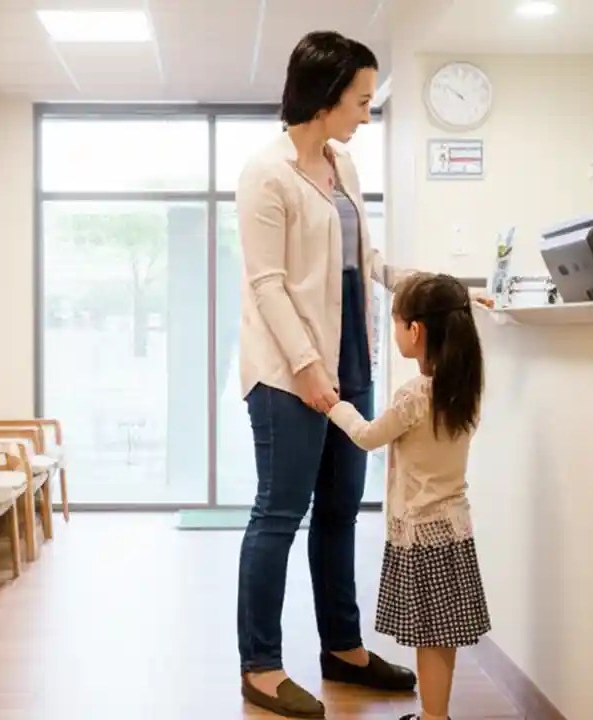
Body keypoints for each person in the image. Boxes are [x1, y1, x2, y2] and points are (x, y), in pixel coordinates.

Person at [234, 30, 416, 719]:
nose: (367, 114)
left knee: (340, 509)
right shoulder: (267, 173)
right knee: (279, 514)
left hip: (350, 357)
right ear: (325, 96)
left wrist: (424, 282)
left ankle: (343, 648)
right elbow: (269, 285)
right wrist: (308, 370)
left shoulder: (341, 164)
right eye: (361, 100)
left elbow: (357, 259)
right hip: (287, 370)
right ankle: (261, 664)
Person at [327, 273, 492, 720]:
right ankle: (436, 715)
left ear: (414, 331)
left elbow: (365, 436)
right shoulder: (465, 389)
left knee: (429, 636)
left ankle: (434, 718)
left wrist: (333, 405)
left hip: (420, 531)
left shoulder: (415, 395)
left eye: (396, 321)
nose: (394, 329)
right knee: (444, 635)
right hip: (455, 529)